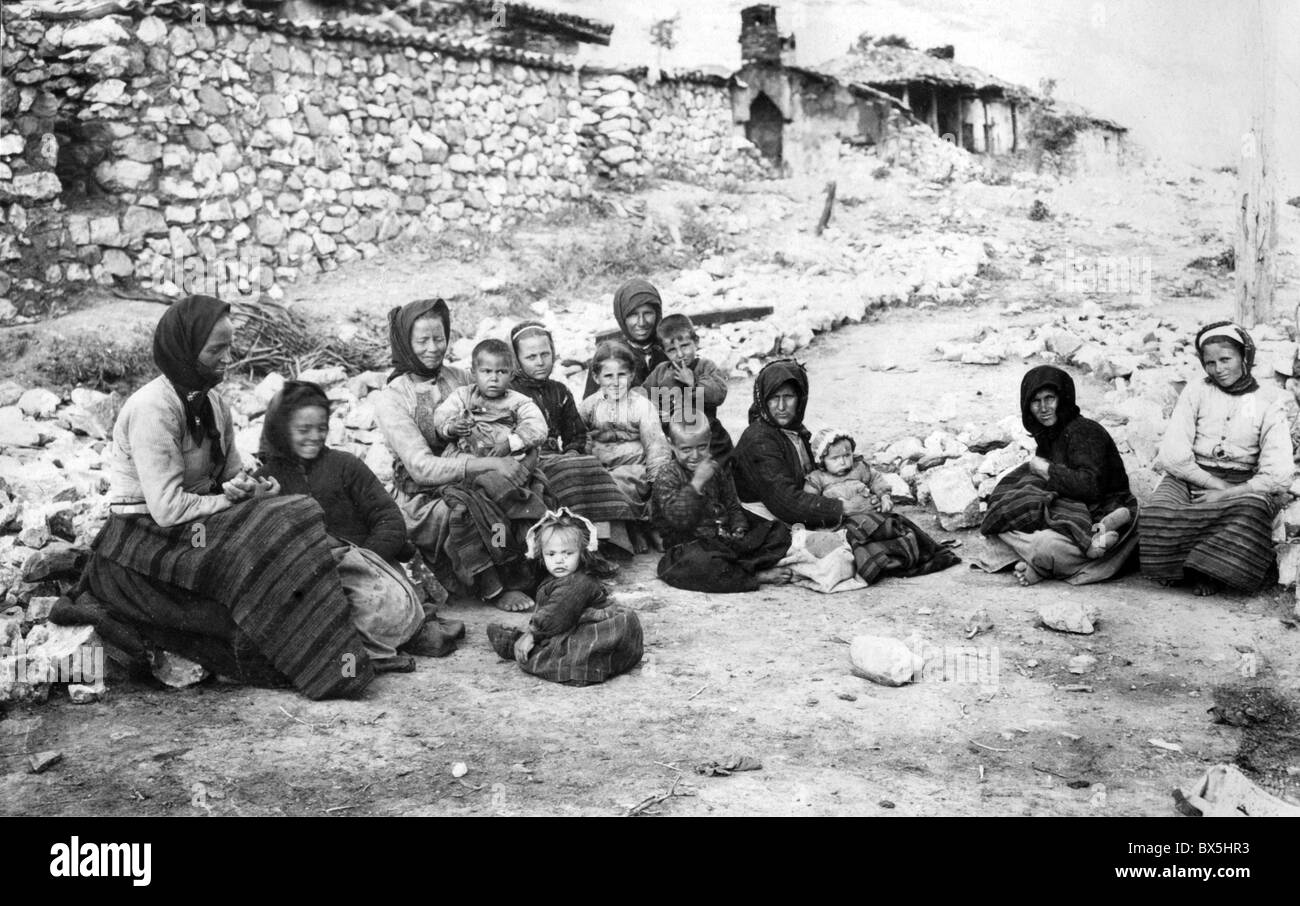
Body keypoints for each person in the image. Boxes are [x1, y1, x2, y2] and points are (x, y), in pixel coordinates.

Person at [59, 295, 373, 699]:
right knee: (274, 529)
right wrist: (228, 500)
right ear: (186, 351)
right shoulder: (154, 408)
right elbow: (169, 507)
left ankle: (324, 640)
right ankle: (318, 656)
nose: (228, 358)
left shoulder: (212, 403)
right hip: (146, 535)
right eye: (216, 350)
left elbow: (230, 476)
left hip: (195, 521)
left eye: (229, 346)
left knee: (294, 511)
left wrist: (256, 489)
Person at [258, 380, 462, 665]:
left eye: (322, 428)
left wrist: (363, 561)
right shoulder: (266, 479)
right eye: (303, 430)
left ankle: (367, 652)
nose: (314, 436)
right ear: (280, 430)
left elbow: (390, 520)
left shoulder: (344, 465)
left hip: (368, 568)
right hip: (309, 575)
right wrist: (262, 502)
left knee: (373, 608)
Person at [372, 298, 540, 613]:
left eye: (440, 338)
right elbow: (421, 467)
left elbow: (503, 414)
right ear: (405, 342)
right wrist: (491, 463)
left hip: (475, 467)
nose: (433, 348)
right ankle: (495, 584)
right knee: (468, 512)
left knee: (527, 488)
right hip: (419, 492)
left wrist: (516, 453)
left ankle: (534, 565)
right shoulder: (391, 397)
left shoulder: (461, 378)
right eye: (422, 340)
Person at [734, 358, 959, 584]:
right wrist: (844, 507)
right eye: (773, 398)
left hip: (799, 517)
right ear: (763, 399)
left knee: (883, 526)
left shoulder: (796, 432)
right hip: (769, 526)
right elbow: (785, 502)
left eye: (788, 397)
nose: (781, 407)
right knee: (843, 558)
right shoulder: (759, 440)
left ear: (800, 399)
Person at [1141, 322, 1294, 596]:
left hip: (1243, 485)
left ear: (1244, 357)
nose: (1218, 369)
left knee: (1251, 511)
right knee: (1158, 510)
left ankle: (1209, 572)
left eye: (1226, 359)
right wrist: (1216, 487)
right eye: (1210, 362)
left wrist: (1230, 493)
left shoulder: (1269, 400)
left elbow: (1279, 472)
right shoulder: (1196, 390)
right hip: (1191, 475)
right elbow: (1173, 455)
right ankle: (1181, 568)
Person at [980, 365, 1137, 586]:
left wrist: (1046, 470)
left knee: (1045, 544)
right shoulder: (1048, 436)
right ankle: (1043, 561)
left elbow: (1090, 486)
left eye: (1050, 398)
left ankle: (1043, 561)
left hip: (1099, 512)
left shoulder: (1084, 430)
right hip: (1069, 512)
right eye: (1036, 401)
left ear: (1063, 398)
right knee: (1001, 518)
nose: (1044, 408)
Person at [508, 321, 639, 550]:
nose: (540, 362)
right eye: (531, 357)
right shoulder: (510, 393)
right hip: (526, 460)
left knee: (587, 463)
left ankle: (608, 540)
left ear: (553, 353)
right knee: (568, 470)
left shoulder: (559, 391)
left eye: (545, 354)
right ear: (517, 359)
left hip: (559, 457)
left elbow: (576, 433)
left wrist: (571, 450)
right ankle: (575, 544)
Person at [486, 509, 643, 685]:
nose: (559, 560)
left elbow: (556, 613)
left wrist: (531, 634)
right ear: (541, 555)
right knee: (559, 636)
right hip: (614, 644)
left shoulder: (577, 582)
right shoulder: (558, 577)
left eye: (567, 553)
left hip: (602, 636)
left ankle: (517, 645)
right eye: (551, 554)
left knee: (557, 653)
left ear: (582, 553)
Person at [652, 416, 792, 592]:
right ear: (672, 445)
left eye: (702, 447)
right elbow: (679, 520)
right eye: (686, 449)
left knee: (776, 532)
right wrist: (697, 483)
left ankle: (738, 566)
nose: (695, 456)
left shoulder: (715, 468)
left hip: (724, 540)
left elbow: (732, 504)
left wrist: (739, 527)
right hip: (689, 546)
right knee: (698, 566)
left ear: (709, 441)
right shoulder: (667, 475)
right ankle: (754, 575)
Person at [579, 339, 672, 553]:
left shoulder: (641, 406)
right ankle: (622, 531)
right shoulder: (589, 406)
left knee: (622, 483)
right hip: (602, 466)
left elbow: (656, 446)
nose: (615, 382)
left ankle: (641, 525)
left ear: (631, 375)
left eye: (622, 375)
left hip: (635, 467)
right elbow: (579, 437)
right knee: (599, 485)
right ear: (596, 377)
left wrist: (657, 480)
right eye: (608, 376)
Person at [433, 338, 548, 458]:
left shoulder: (518, 402)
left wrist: (510, 444)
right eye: (486, 371)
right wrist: (452, 428)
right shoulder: (463, 395)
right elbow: (441, 416)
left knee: (529, 466)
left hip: (507, 458)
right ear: (473, 373)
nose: (494, 378)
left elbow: (537, 425)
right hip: (467, 457)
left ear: (511, 375)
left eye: (501, 372)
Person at [641, 313, 734, 462]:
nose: (680, 354)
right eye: (671, 350)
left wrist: (694, 383)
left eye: (684, 346)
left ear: (696, 342)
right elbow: (642, 396)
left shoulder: (705, 367)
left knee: (719, 468)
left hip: (708, 437)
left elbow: (719, 394)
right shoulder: (661, 371)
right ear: (664, 351)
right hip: (674, 438)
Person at [582, 278, 670, 397]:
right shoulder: (608, 355)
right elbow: (589, 409)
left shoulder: (670, 349)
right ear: (622, 317)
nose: (641, 322)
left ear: (658, 314)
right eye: (633, 315)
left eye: (648, 313)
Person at [804, 428, 895, 511]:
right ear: (822, 460)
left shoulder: (859, 468)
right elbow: (810, 500)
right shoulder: (818, 478)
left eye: (847, 455)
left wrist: (884, 496)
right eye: (835, 458)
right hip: (838, 518)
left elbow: (875, 479)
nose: (843, 462)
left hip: (869, 509)